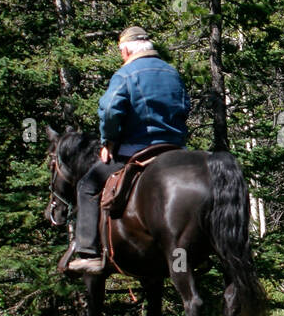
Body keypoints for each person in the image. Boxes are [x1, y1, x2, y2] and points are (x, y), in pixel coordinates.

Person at [64, 27, 190, 274]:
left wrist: (108, 141)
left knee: (87, 186)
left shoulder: (125, 74)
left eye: (121, 51)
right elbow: (184, 106)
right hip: (175, 150)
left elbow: (110, 110)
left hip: (136, 149)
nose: (122, 56)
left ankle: (88, 252)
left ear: (128, 49)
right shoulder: (172, 73)